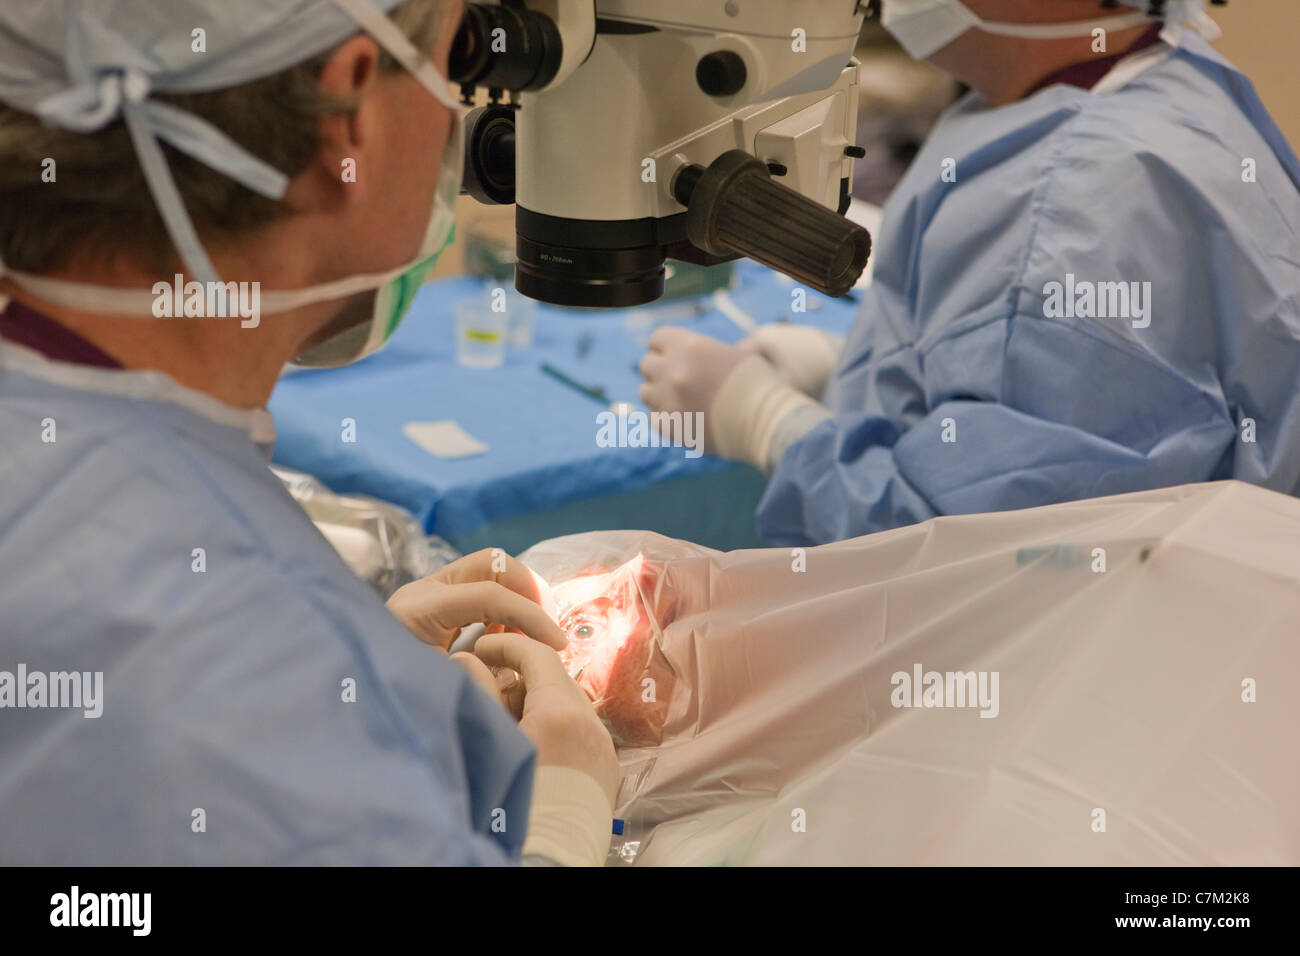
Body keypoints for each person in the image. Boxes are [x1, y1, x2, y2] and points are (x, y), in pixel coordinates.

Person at [0, 0, 616, 865]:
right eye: (457, 59)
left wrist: (346, 678)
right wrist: (559, 825)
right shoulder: (233, 648)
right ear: (348, 109)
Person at [639, 0, 1300, 546]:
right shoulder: (1151, 79)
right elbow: (1080, 380)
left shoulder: (1076, 202)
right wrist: (858, 369)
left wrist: (768, 423)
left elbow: (975, 558)